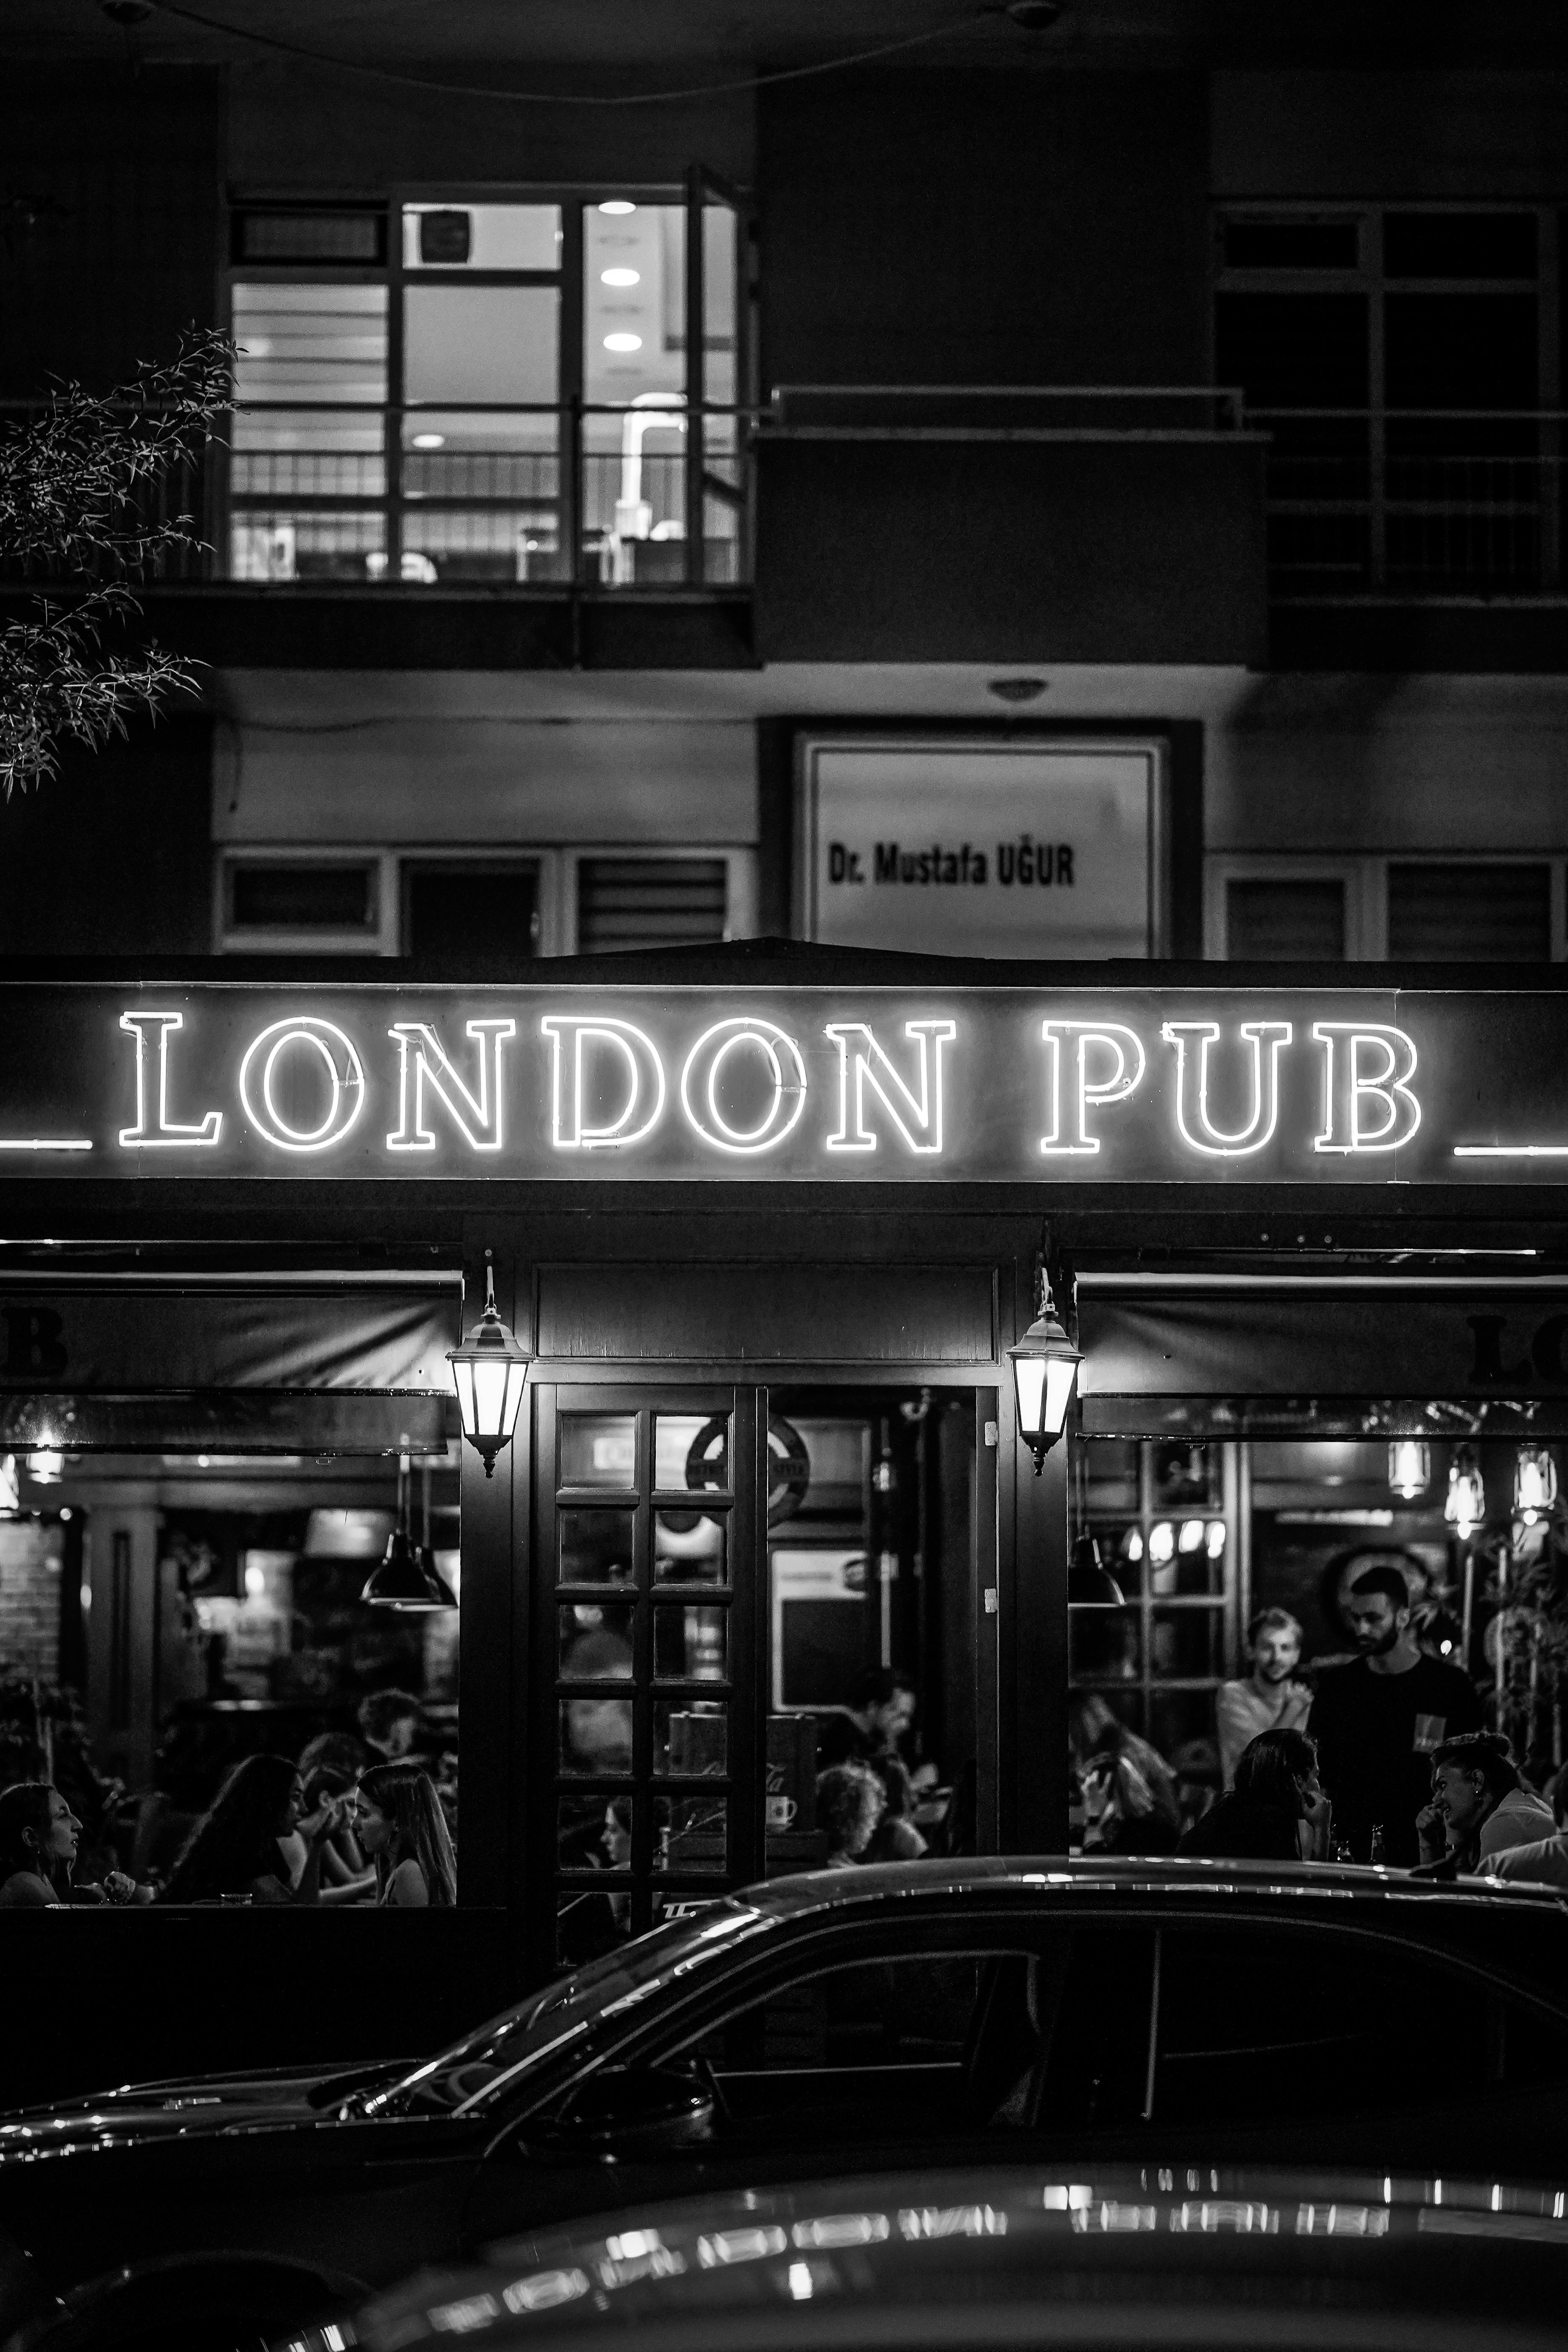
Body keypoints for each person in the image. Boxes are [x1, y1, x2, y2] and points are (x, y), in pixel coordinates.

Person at [1309, 1559, 1483, 1867]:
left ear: (1402, 1617)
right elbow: (1318, 1774)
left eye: (1373, 1619)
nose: (1361, 1628)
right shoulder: (1337, 1688)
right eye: (1356, 1618)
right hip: (1353, 1851)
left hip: (1426, 1848)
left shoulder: (1448, 1687)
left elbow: (1473, 1774)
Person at [160, 1754, 344, 1904]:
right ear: (271, 1800)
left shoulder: (263, 1843)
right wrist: (318, 1845)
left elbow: (301, 1902)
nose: (304, 1809)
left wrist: (319, 1843)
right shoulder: (239, 1850)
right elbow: (295, 1915)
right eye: (296, 1798)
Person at [814, 1666, 927, 1859]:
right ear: (873, 1707)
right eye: (898, 1714)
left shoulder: (870, 1747)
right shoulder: (845, 1748)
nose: (905, 1725)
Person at [1414, 1730, 1555, 1876]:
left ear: (1477, 1781)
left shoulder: (1504, 1824)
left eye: (1443, 1785)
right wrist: (1432, 1840)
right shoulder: (1518, 1807)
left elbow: (1466, 1898)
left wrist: (1449, 1843)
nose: (1435, 1800)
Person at [1180, 1727, 1331, 1862]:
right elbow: (1307, 1890)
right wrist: (1322, 1829)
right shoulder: (1270, 1822)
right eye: (1315, 1775)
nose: (1318, 1786)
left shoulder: (1231, 1810)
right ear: (1297, 1779)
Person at [1214, 1609, 1312, 1789]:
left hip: (1296, 1812)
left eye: (1285, 1648)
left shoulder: (1303, 1697)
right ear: (1251, 1651)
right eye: (1267, 1647)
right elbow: (1257, 1762)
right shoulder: (1233, 1694)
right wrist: (1292, 1710)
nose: (1277, 1657)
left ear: (1296, 1655)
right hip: (1248, 1811)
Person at [0, 1780, 136, 1906]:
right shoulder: (26, 1884)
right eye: (63, 1816)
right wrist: (104, 1900)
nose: (79, 1825)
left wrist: (99, 1893)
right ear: (31, 1837)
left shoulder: (41, 1881)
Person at [348, 1762, 457, 1906]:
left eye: (363, 1813)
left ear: (399, 1822)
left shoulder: (410, 1872)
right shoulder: (397, 1867)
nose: (353, 1824)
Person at [816, 1761, 885, 1867]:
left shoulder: (819, 1861)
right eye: (870, 1817)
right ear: (849, 1822)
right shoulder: (843, 1874)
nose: (873, 1826)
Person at [357, 1690, 422, 1764]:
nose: (411, 1741)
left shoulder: (356, 1755)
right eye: (412, 1732)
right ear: (395, 1726)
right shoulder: (378, 1767)